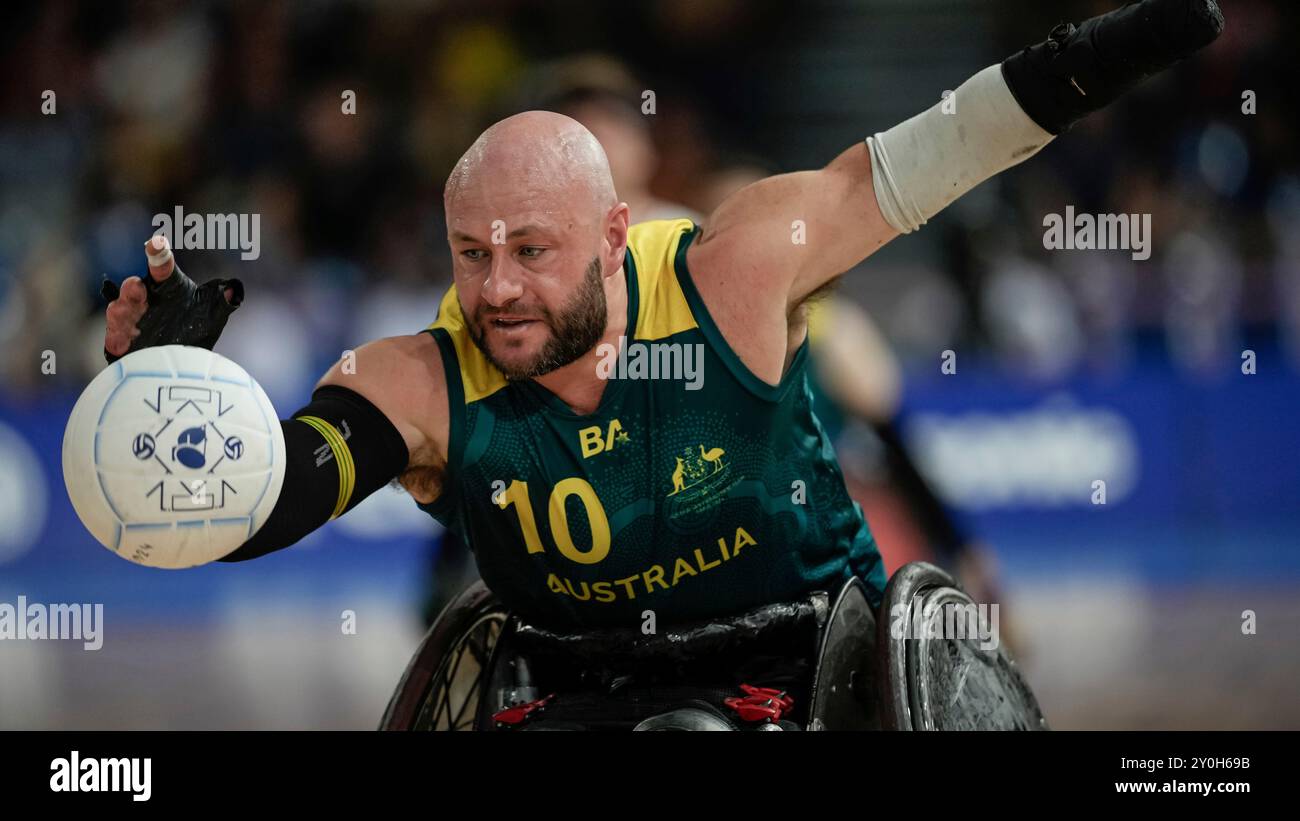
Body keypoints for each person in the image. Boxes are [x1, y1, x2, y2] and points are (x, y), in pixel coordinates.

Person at [102, 0, 1224, 632]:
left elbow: (948, 147)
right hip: (579, 679)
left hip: (809, 652)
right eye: (471, 254)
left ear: (608, 233)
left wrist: (1127, 41)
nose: (495, 287)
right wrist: (162, 406)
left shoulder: (730, 270)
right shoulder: (419, 375)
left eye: (531, 253)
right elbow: (260, 500)